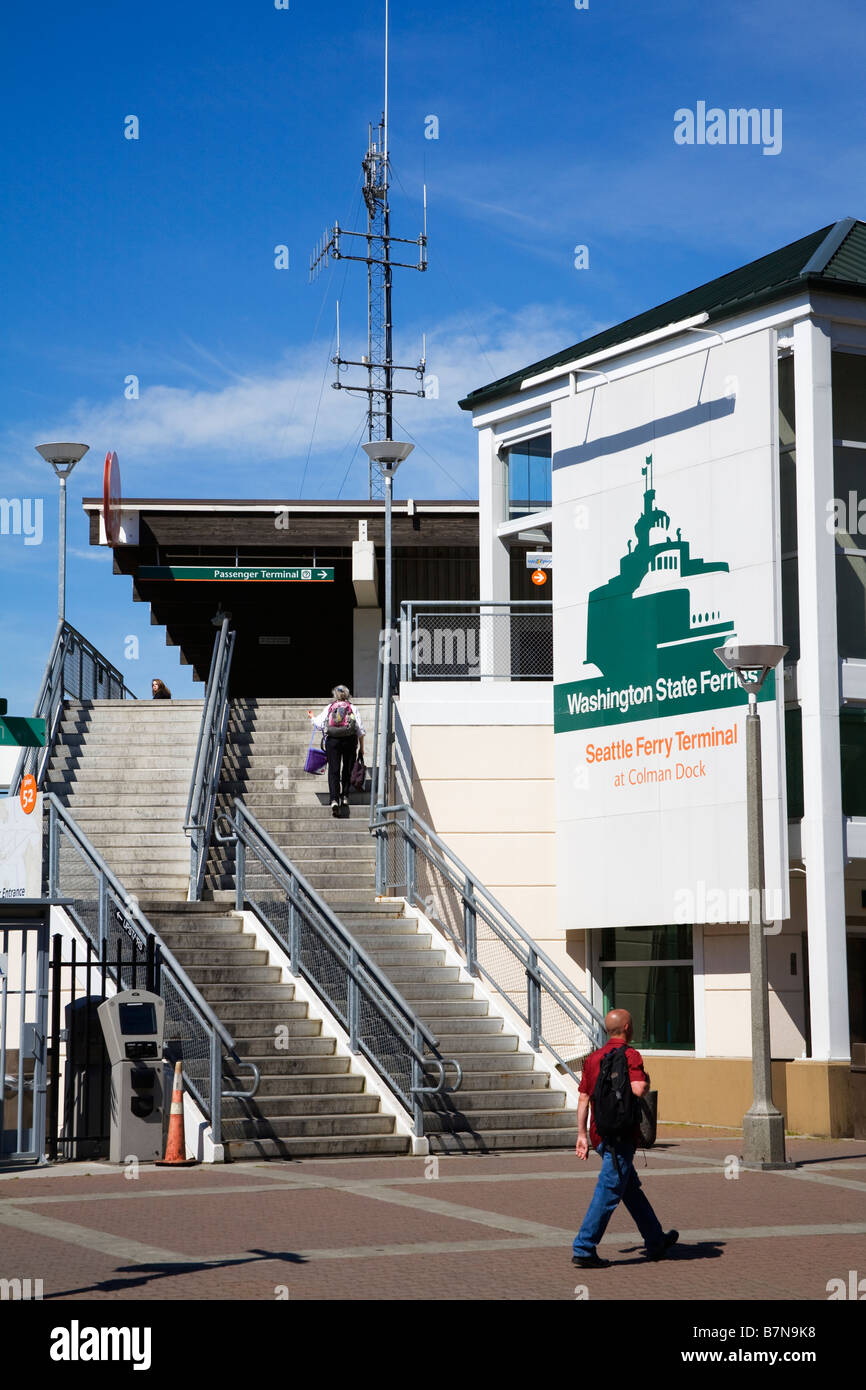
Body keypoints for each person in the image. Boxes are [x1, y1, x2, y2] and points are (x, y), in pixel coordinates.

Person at [572, 1008, 678, 1268]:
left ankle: (655, 1240)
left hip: (599, 1133)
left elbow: (584, 1098)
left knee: (630, 1189)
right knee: (608, 1192)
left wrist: (582, 1135)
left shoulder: (593, 1058)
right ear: (628, 1028)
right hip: (621, 1135)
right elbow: (638, 1088)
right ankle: (584, 1248)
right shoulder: (630, 1055)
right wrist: (646, 1081)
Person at [310, 686, 365, 817]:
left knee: (333, 771)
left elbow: (319, 724)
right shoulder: (353, 708)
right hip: (349, 741)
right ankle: (345, 796)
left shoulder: (330, 707)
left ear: (335, 695)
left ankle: (334, 799)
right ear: (348, 695)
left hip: (333, 741)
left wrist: (312, 717)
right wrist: (361, 748)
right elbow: (360, 730)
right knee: (347, 768)